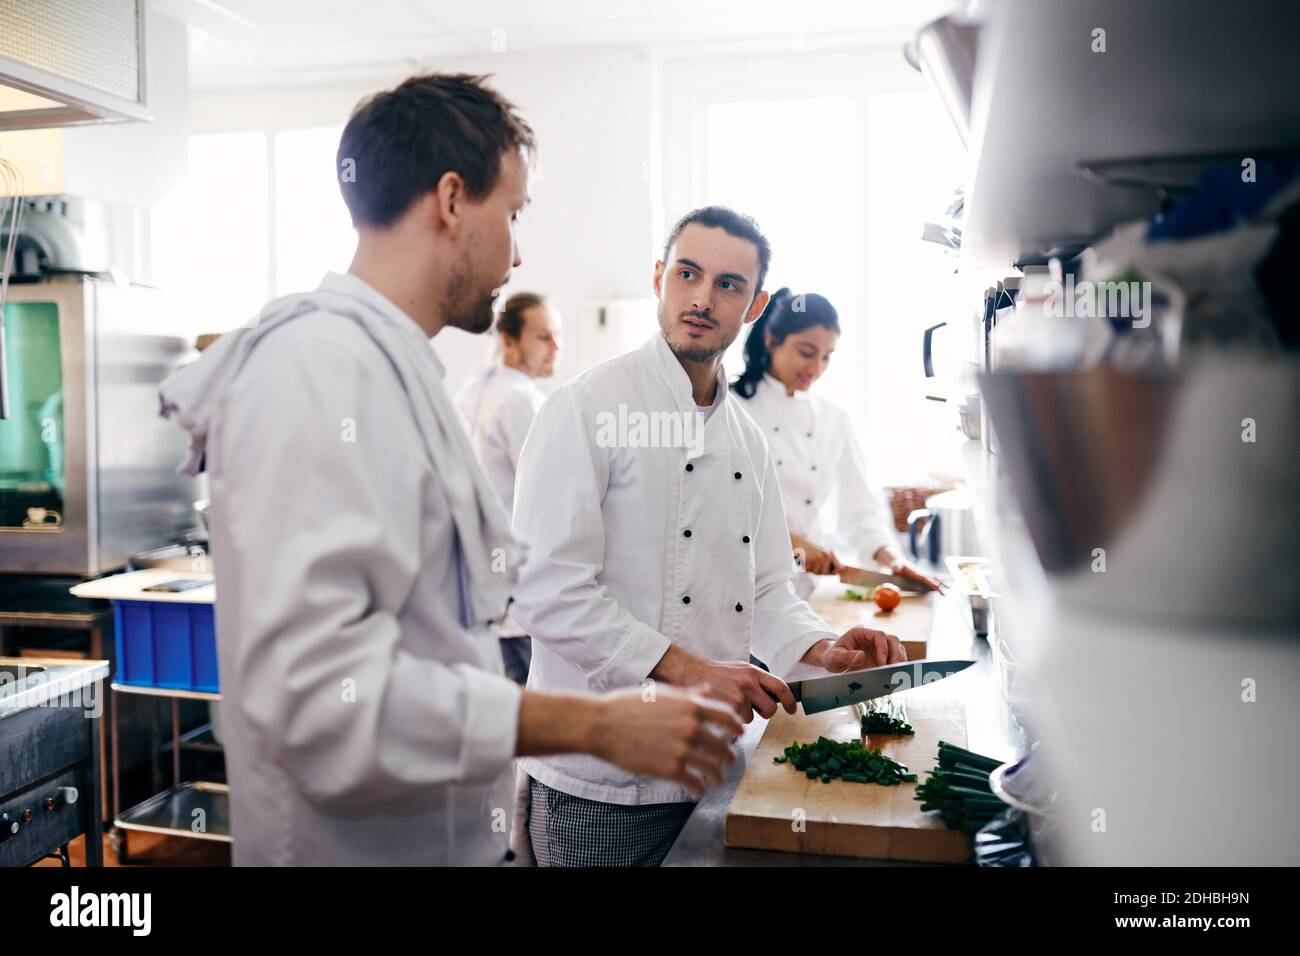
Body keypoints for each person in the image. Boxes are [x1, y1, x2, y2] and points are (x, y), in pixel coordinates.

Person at [156, 74, 741, 866]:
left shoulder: (395, 371)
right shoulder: (318, 373)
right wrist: (594, 723)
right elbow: (323, 699)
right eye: (514, 213)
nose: (519, 250)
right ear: (453, 199)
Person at [509, 206, 906, 867]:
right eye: (687, 274)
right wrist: (691, 670)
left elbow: (769, 590)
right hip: (599, 780)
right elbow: (546, 591)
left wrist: (825, 648)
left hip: (711, 765)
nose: (702, 297)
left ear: (754, 306)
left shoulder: (745, 438)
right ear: (660, 278)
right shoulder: (586, 408)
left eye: (728, 285)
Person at [732, 289, 942, 593]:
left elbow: (862, 512)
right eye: (806, 352)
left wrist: (892, 561)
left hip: (806, 593)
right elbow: (723, 511)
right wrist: (793, 543)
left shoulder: (834, 420)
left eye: (826, 357)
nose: (816, 368)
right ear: (771, 340)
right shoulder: (731, 408)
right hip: (740, 591)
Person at [455, 292, 561, 683]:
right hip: (519, 591)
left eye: (557, 336)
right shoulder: (518, 400)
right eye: (543, 337)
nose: (556, 347)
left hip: (490, 589)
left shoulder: (482, 392)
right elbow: (552, 496)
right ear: (509, 341)